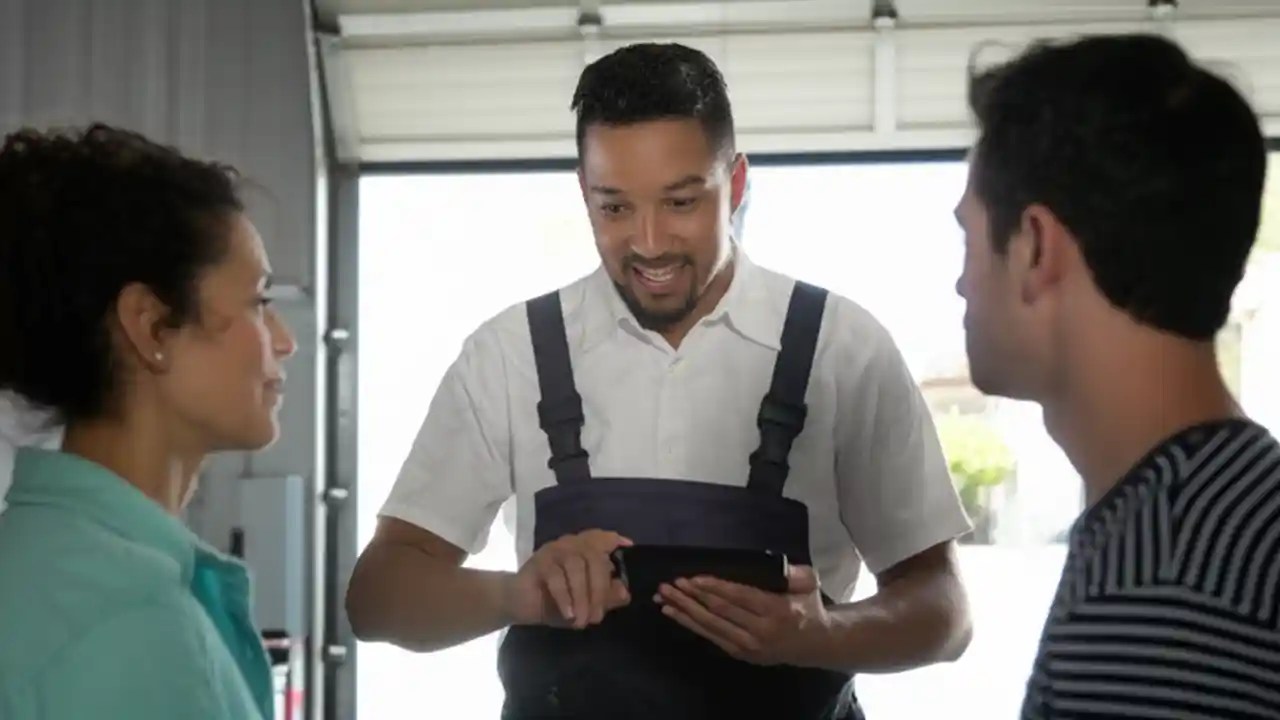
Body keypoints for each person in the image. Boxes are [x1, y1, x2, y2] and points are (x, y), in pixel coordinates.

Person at [348, 42, 973, 719]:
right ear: (583, 192)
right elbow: (378, 597)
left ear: (734, 187)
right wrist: (518, 595)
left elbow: (944, 609)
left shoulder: (841, 349)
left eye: (680, 202)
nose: (648, 243)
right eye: (614, 208)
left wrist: (823, 634)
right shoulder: (511, 355)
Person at [955, 34, 1280, 719]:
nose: (961, 283)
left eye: (969, 239)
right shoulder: (1239, 507)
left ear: (1036, 247)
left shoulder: (1162, 592)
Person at [0, 124, 297, 719]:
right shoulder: (132, 623)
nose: (283, 343)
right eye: (259, 303)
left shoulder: (36, 562)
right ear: (151, 326)